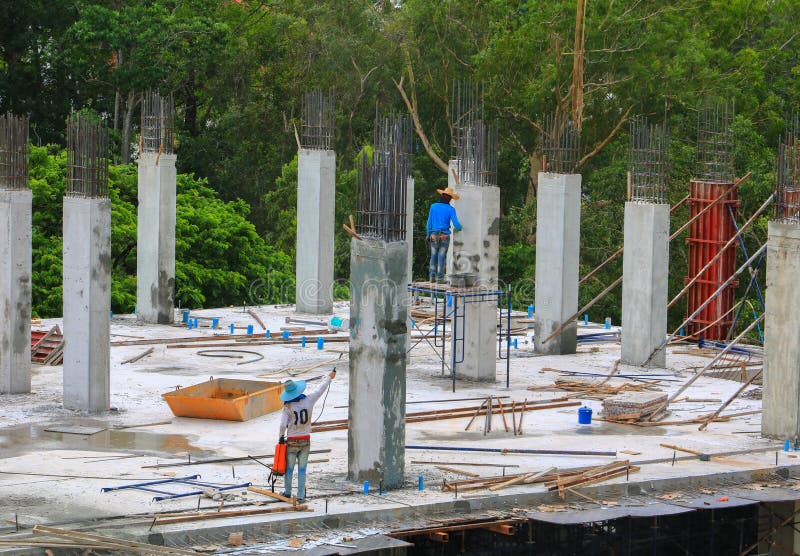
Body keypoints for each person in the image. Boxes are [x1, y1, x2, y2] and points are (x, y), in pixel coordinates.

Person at [278, 369, 336, 501]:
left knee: (289, 468)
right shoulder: (309, 400)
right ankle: (300, 495)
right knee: (302, 469)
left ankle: (287, 492)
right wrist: (329, 377)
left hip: (292, 441)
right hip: (305, 440)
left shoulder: (287, 407)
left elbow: (282, 425)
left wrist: (281, 437)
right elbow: (320, 389)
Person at [425, 186, 463, 283]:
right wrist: (459, 228)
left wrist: (428, 234)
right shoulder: (451, 209)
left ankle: (431, 277)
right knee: (441, 256)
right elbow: (457, 225)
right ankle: (440, 279)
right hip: (444, 236)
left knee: (433, 256)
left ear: (442, 195)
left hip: (433, 235)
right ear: (449, 198)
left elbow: (429, 222)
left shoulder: (433, 206)